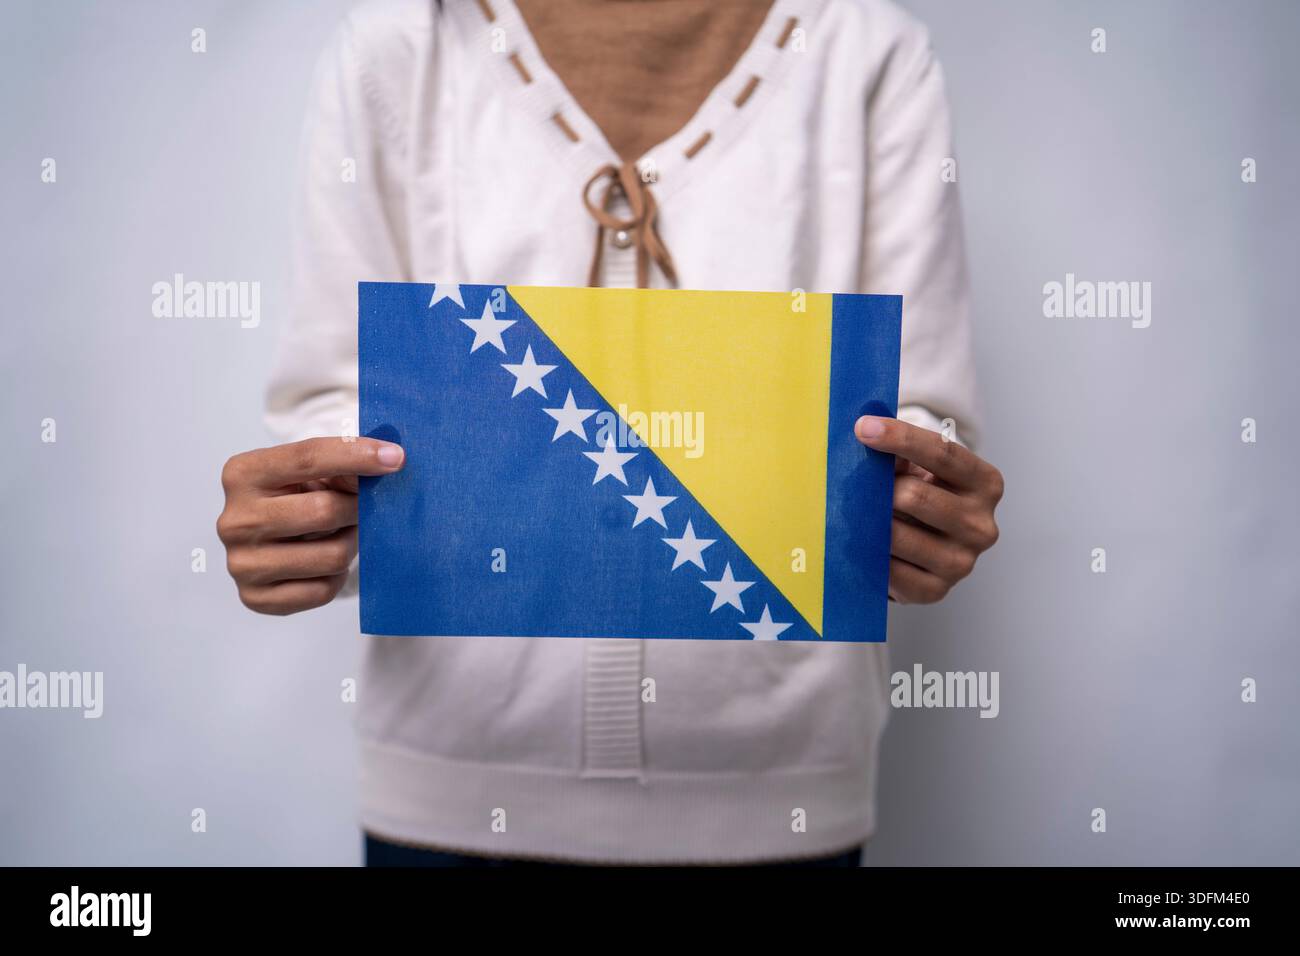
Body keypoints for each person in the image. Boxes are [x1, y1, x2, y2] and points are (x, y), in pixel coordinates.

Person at [216, 0, 1003, 866]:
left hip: (782, 797)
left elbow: (919, 412)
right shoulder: (400, 44)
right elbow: (337, 400)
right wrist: (310, 518)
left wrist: (920, 508)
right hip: (447, 794)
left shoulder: (868, 51)